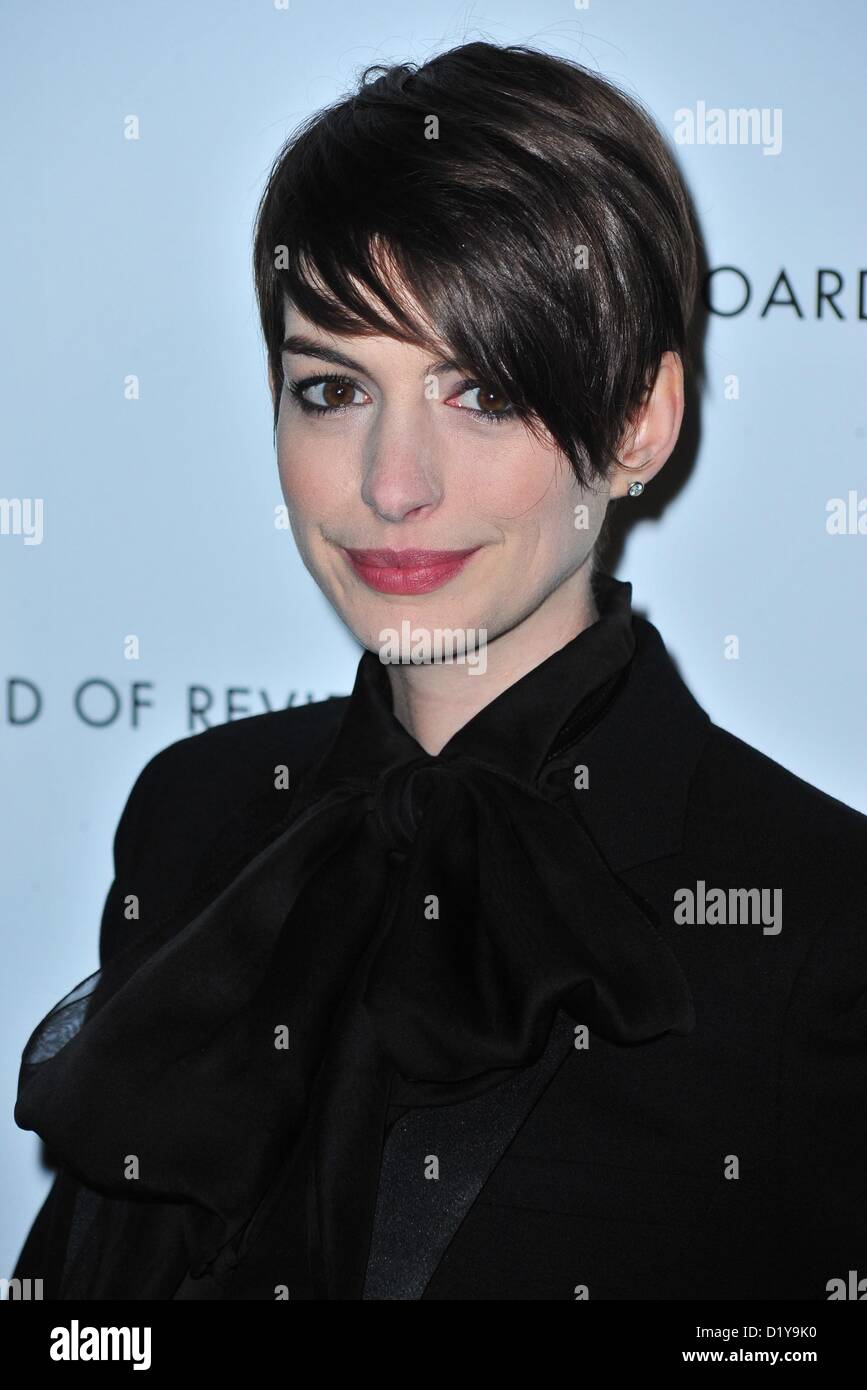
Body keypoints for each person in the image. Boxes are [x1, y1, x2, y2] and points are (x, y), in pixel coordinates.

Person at [12, 40, 867, 1301]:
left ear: (639, 420)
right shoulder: (196, 812)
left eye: (478, 391)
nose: (390, 485)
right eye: (332, 388)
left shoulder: (820, 918)